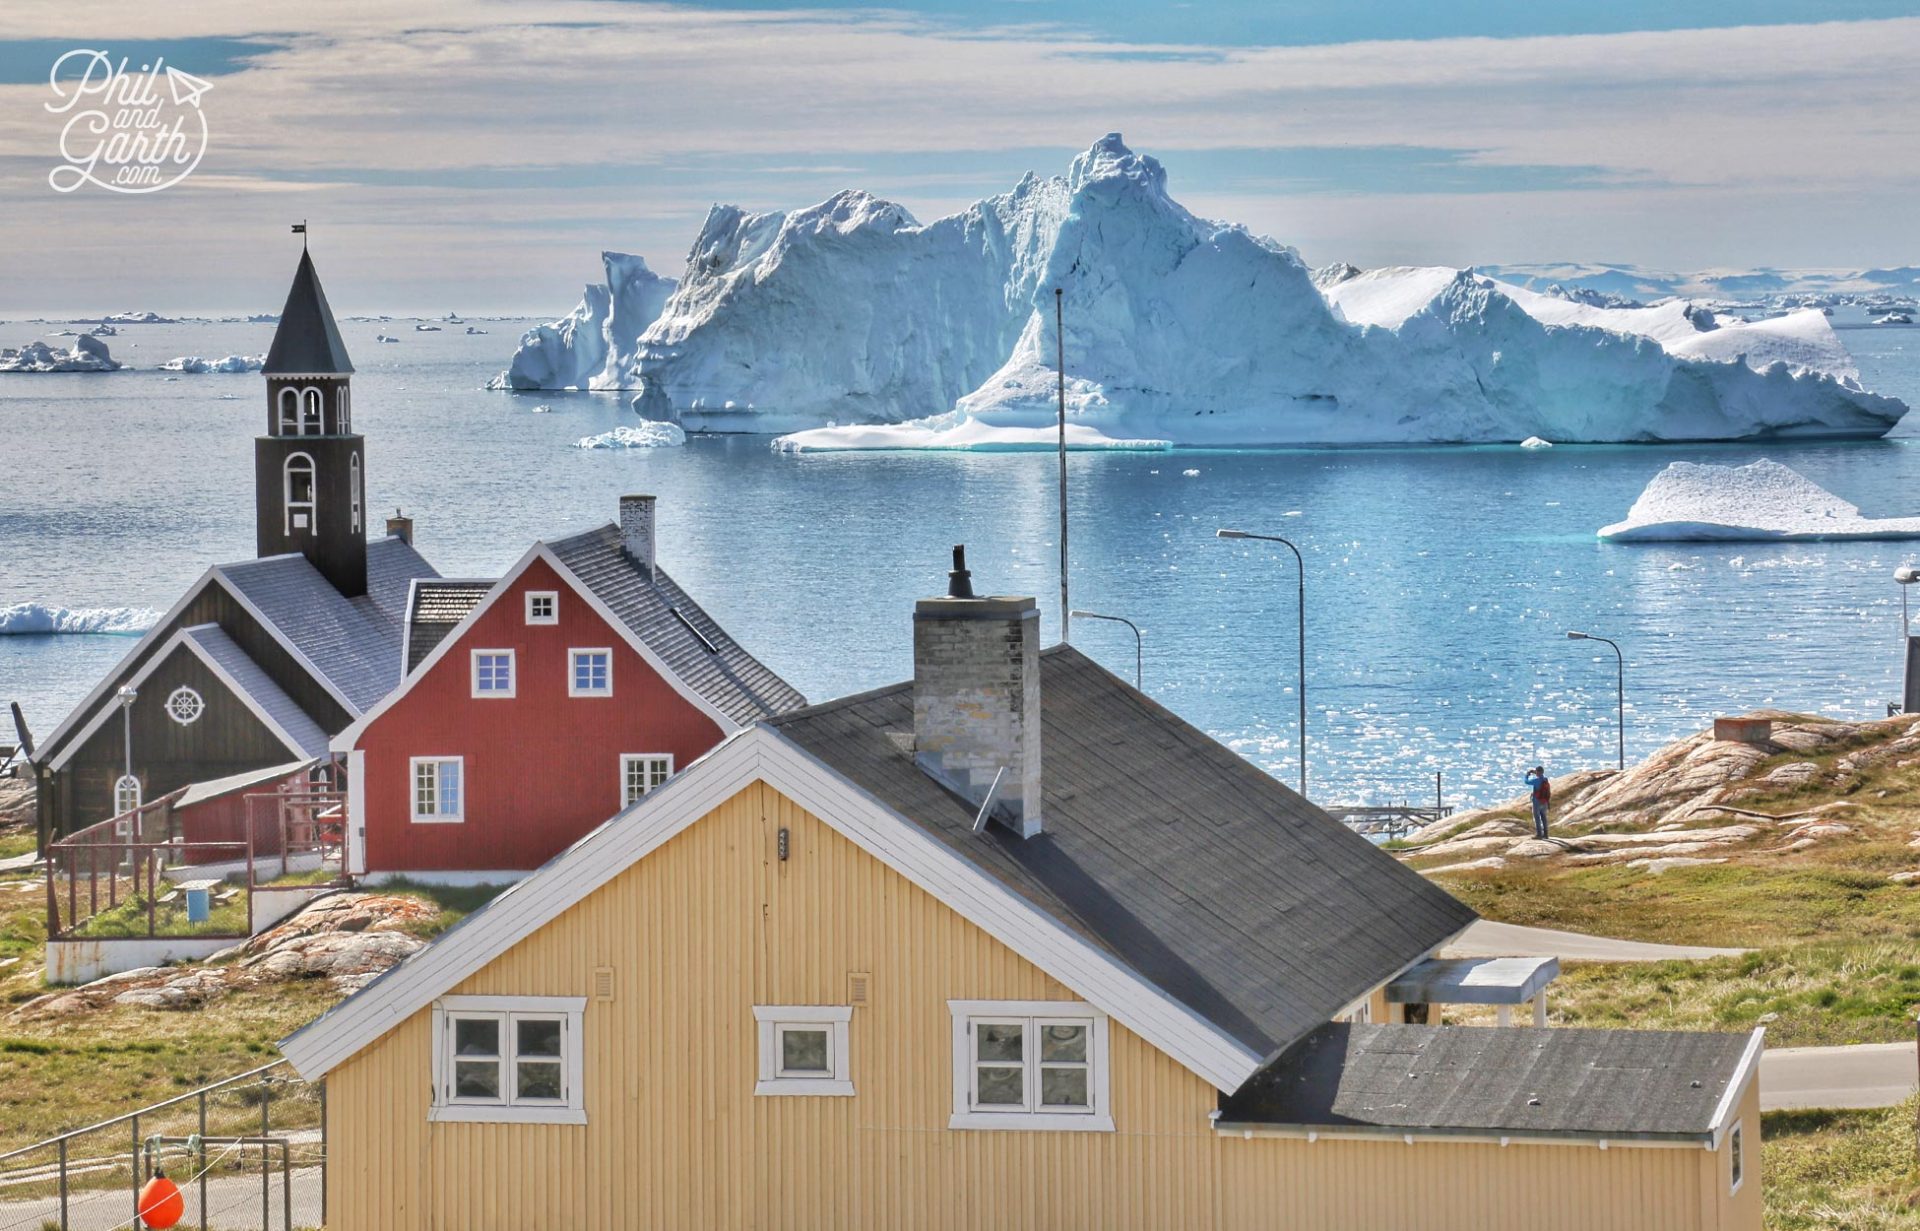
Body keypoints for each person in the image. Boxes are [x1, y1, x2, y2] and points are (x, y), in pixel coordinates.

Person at [1525, 766, 1551, 840]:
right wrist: (1535, 772)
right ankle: (1545, 834)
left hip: (1537, 802)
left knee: (1537, 818)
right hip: (1545, 802)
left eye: (1536, 772)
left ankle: (1539, 834)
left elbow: (1526, 781)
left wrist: (1527, 775)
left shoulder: (1536, 780)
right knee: (1544, 818)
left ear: (1537, 772)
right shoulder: (1545, 780)